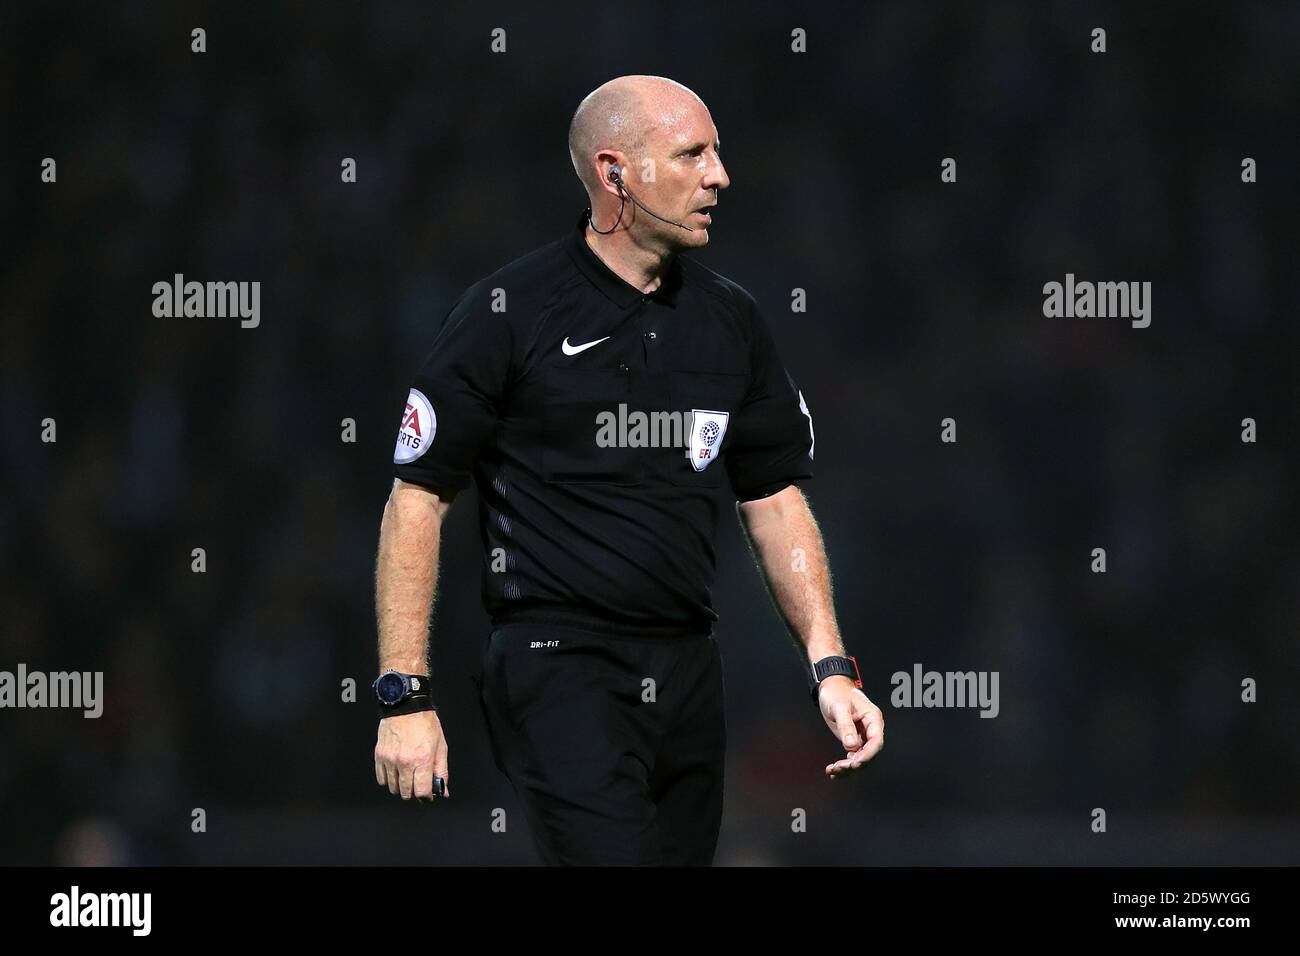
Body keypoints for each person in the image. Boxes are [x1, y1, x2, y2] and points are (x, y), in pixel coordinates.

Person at [372, 75, 884, 865]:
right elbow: (419, 496)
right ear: (615, 174)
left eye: (717, 152)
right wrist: (404, 694)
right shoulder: (508, 312)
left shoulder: (732, 322)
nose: (720, 176)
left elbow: (773, 496)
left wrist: (830, 668)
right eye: (692, 155)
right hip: (557, 663)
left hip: (687, 669)